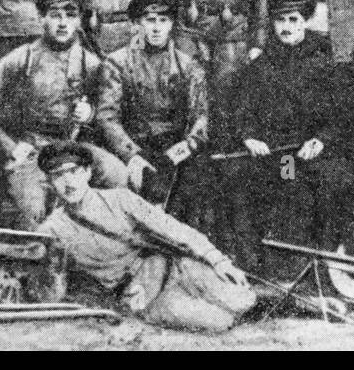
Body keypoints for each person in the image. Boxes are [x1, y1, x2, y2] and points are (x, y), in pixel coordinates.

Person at [35, 142, 255, 332]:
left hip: (175, 268)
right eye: (58, 175)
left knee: (244, 299)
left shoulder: (120, 199)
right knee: (220, 321)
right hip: (144, 295)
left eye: (73, 171)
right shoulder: (52, 229)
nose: (67, 182)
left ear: (87, 173)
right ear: (50, 182)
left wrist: (217, 259)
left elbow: (171, 228)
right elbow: (51, 283)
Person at [0, 0, 127, 229]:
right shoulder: (22, 58)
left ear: (79, 21)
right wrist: (9, 146)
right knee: (32, 208)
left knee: (118, 176)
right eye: (55, 16)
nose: (63, 23)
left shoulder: (93, 63)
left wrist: (90, 114)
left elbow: (108, 114)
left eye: (71, 16)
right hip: (33, 150)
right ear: (42, 18)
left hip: (74, 148)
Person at [228, 0, 354, 272]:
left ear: (305, 21)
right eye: (279, 20)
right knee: (269, 182)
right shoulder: (263, 64)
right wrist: (249, 136)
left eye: (293, 19)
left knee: (317, 184)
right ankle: (267, 266)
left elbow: (342, 114)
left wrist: (321, 140)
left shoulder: (327, 61)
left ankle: (319, 265)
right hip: (280, 153)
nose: (286, 27)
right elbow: (244, 108)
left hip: (314, 152)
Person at [94, 0, 209, 215]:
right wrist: (132, 155)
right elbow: (107, 117)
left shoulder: (188, 65)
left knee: (197, 185)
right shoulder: (117, 63)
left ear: (172, 24)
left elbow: (201, 115)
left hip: (176, 147)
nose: (156, 28)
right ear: (137, 24)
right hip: (135, 145)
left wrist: (185, 147)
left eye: (163, 21)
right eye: (150, 20)